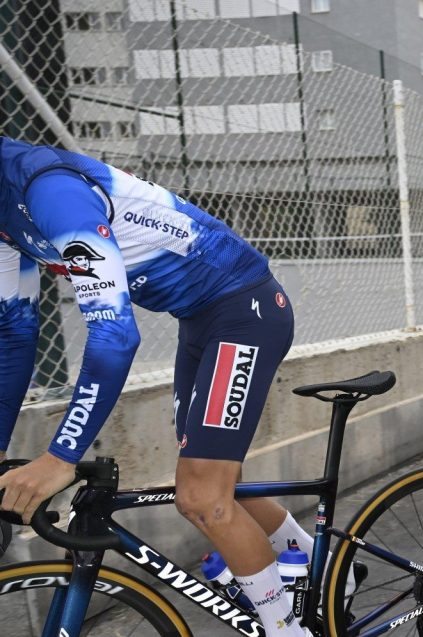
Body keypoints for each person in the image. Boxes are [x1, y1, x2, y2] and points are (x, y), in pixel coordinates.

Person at [0, 137, 330, 637]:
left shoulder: (48, 191)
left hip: (244, 312)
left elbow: (114, 335)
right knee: (218, 482)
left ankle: (288, 631)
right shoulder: (5, 216)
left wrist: (60, 456)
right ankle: (325, 570)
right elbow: (15, 334)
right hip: (199, 320)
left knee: (202, 497)